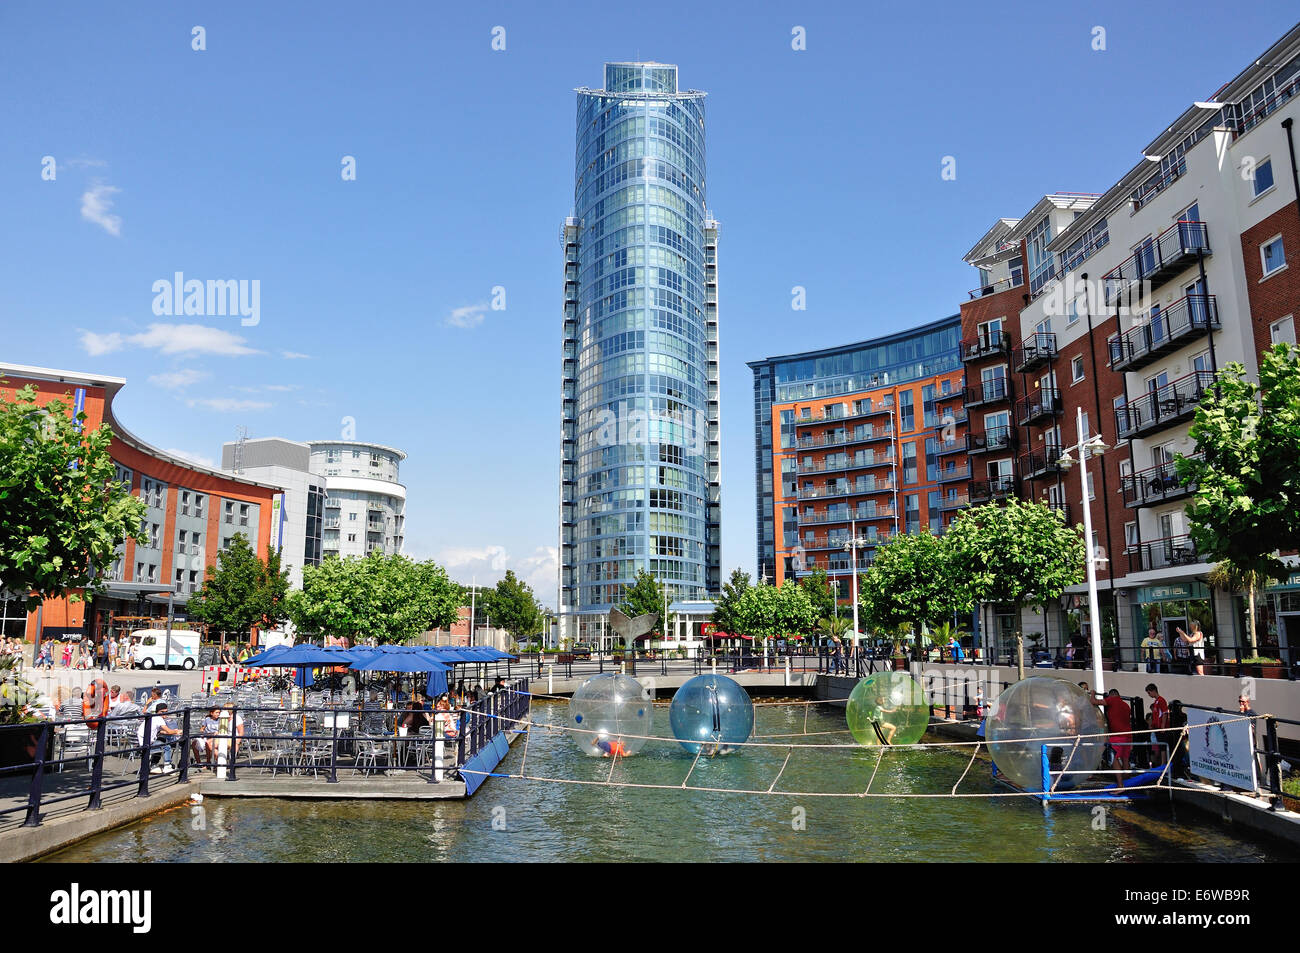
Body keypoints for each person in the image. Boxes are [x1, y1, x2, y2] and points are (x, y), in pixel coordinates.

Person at [1093, 688, 1133, 772]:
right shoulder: (1126, 705)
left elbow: (1094, 701)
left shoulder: (1112, 700)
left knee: (1114, 758)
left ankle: (1120, 783)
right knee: (1125, 759)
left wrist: (1093, 693)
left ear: (1112, 695)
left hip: (1118, 735)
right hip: (1128, 735)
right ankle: (1127, 781)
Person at [138, 704, 183, 774]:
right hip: (146, 744)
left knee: (161, 741)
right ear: (157, 712)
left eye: (166, 711)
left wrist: (168, 732)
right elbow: (169, 731)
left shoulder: (152, 717)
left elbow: (159, 731)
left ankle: (153, 765)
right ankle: (167, 766)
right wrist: (178, 731)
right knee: (166, 746)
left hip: (142, 742)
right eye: (162, 712)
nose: (164, 713)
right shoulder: (159, 719)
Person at [1146, 683, 1169, 766]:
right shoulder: (1156, 701)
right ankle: (1162, 763)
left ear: (1153, 691)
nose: (1149, 695)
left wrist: (1162, 725)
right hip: (1157, 727)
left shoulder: (1161, 700)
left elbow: (1164, 713)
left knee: (1163, 746)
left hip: (1160, 728)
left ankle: (1164, 763)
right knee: (1160, 746)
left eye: (1149, 693)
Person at [1168, 700, 1189, 779]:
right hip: (1175, 737)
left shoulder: (1183, 715)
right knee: (1176, 755)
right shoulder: (1171, 715)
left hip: (1181, 738)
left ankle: (1180, 771)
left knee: (1180, 755)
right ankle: (1177, 772)